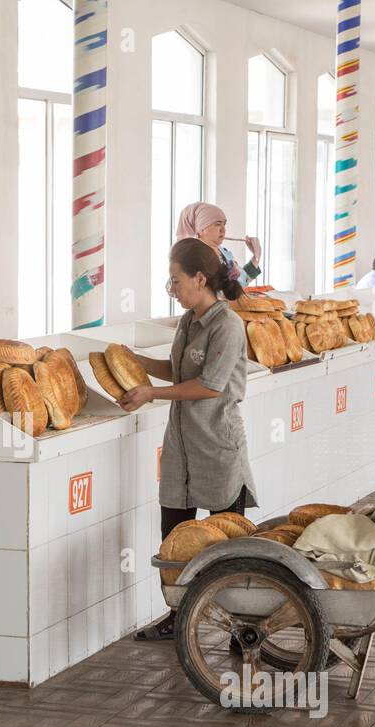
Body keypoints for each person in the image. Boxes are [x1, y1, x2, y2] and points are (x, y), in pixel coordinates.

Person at [120, 238, 259, 642]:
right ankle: (178, 614)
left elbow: (210, 387)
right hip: (182, 448)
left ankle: (243, 623)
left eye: (176, 280)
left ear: (200, 278)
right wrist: (136, 363)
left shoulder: (227, 325)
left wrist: (150, 394)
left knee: (227, 542)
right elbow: (177, 370)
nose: (173, 288)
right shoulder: (187, 321)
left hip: (217, 446)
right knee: (173, 540)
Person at [176, 202, 262, 286]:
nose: (223, 230)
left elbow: (242, 280)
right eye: (217, 224)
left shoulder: (222, 252)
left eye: (224, 224)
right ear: (201, 229)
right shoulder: (194, 258)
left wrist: (256, 257)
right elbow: (227, 290)